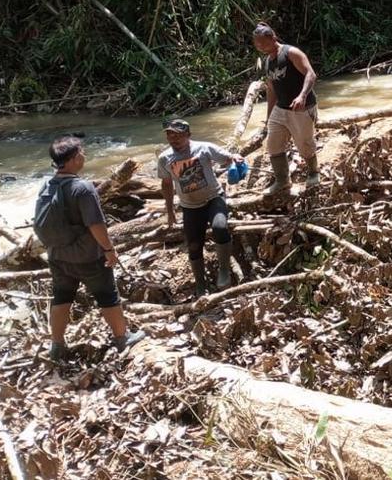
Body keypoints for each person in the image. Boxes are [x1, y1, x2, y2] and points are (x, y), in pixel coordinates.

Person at [35, 135, 145, 361]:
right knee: (108, 295)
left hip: (57, 255)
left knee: (61, 298)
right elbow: (95, 224)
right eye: (82, 152)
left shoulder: (47, 185)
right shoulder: (82, 188)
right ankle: (122, 338)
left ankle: (57, 345)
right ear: (75, 159)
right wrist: (109, 250)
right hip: (87, 257)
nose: (84, 156)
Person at [157, 119, 243, 295]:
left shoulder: (203, 148)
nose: (174, 139)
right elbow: (166, 184)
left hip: (213, 198)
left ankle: (224, 271)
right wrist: (170, 211)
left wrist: (235, 158)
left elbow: (226, 158)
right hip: (190, 206)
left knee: (220, 227)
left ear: (188, 135)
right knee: (194, 246)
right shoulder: (165, 158)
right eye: (169, 135)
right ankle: (200, 284)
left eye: (178, 135)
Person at [253, 22, 320, 193]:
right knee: (273, 145)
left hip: (301, 108)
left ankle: (313, 173)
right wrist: (268, 116)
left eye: (263, 42)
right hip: (281, 108)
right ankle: (282, 180)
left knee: (304, 144)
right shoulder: (268, 61)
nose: (260, 46)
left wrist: (302, 95)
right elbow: (271, 90)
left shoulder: (290, 53)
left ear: (273, 38)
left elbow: (311, 74)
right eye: (257, 44)